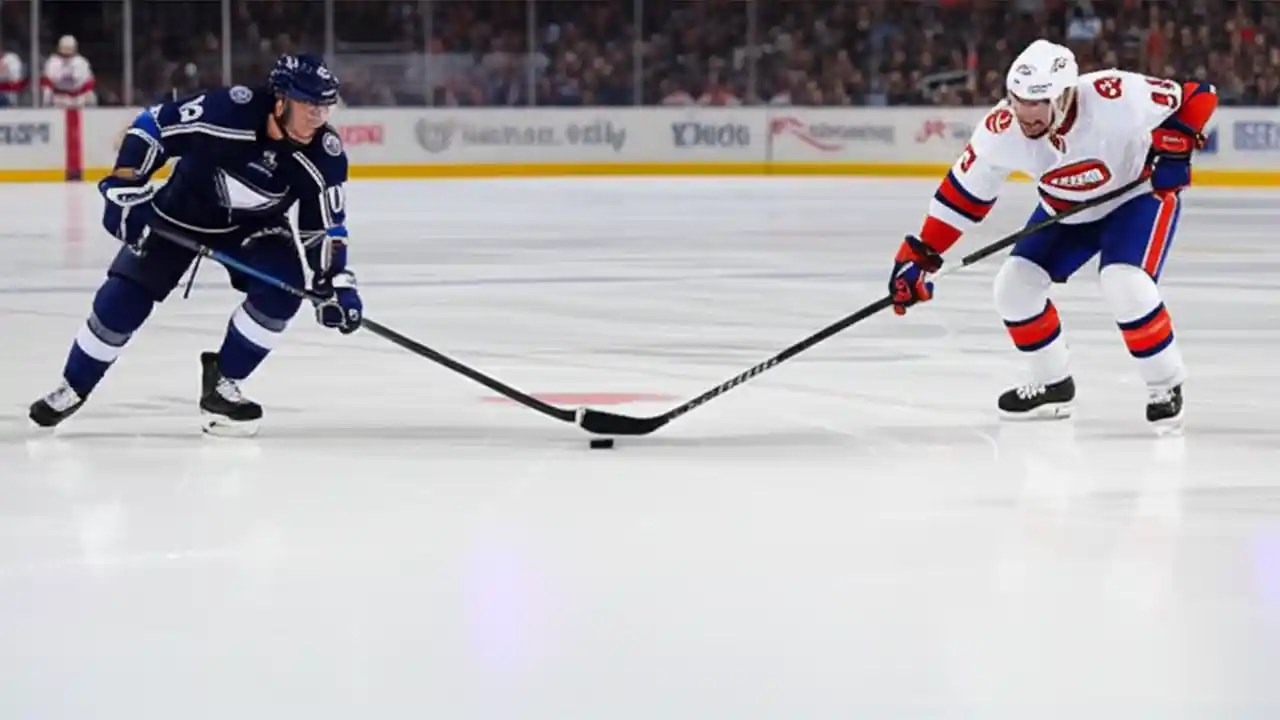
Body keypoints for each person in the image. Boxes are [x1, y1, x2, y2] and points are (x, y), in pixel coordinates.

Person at [888, 39, 1217, 432]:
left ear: (1063, 96)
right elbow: (961, 197)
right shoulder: (1000, 129)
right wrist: (920, 256)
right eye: (1018, 99)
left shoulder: (1115, 95)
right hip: (1065, 211)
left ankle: (1165, 386)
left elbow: (1197, 96)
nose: (1025, 113)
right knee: (1013, 287)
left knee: (1123, 283)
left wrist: (1177, 147)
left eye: (1037, 101)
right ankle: (1052, 385)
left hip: (1136, 198)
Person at [29, 53, 363, 437]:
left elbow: (324, 226)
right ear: (281, 98)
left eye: (326, 107)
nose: (318, 118)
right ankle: (74, 385)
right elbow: (152, 126)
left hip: (256, 227)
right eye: (309, 105)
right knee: (123, 299)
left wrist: (335, 282)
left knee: (281, 293)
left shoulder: (325, 154)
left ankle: (224, 384)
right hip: (181, 213)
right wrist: (126, 184)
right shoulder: (227, 110)